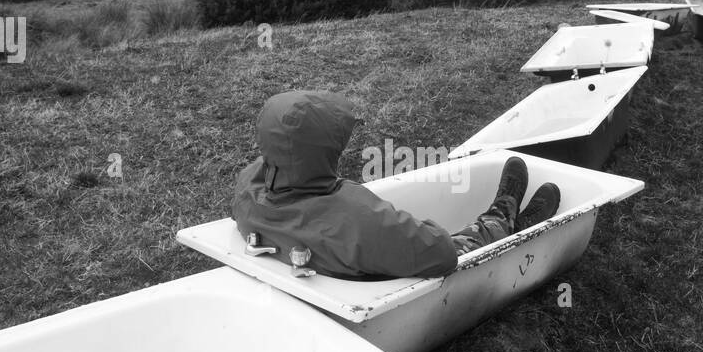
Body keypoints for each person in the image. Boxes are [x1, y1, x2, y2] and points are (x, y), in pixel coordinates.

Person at [232, 90, 561, 280]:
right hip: (400, 267)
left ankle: (505, 216)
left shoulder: (248, 190)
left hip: (339, 262)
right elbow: (442, 255)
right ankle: (506, 219)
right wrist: (433, 234)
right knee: (465, 242)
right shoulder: (355, 217)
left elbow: (279, 159)